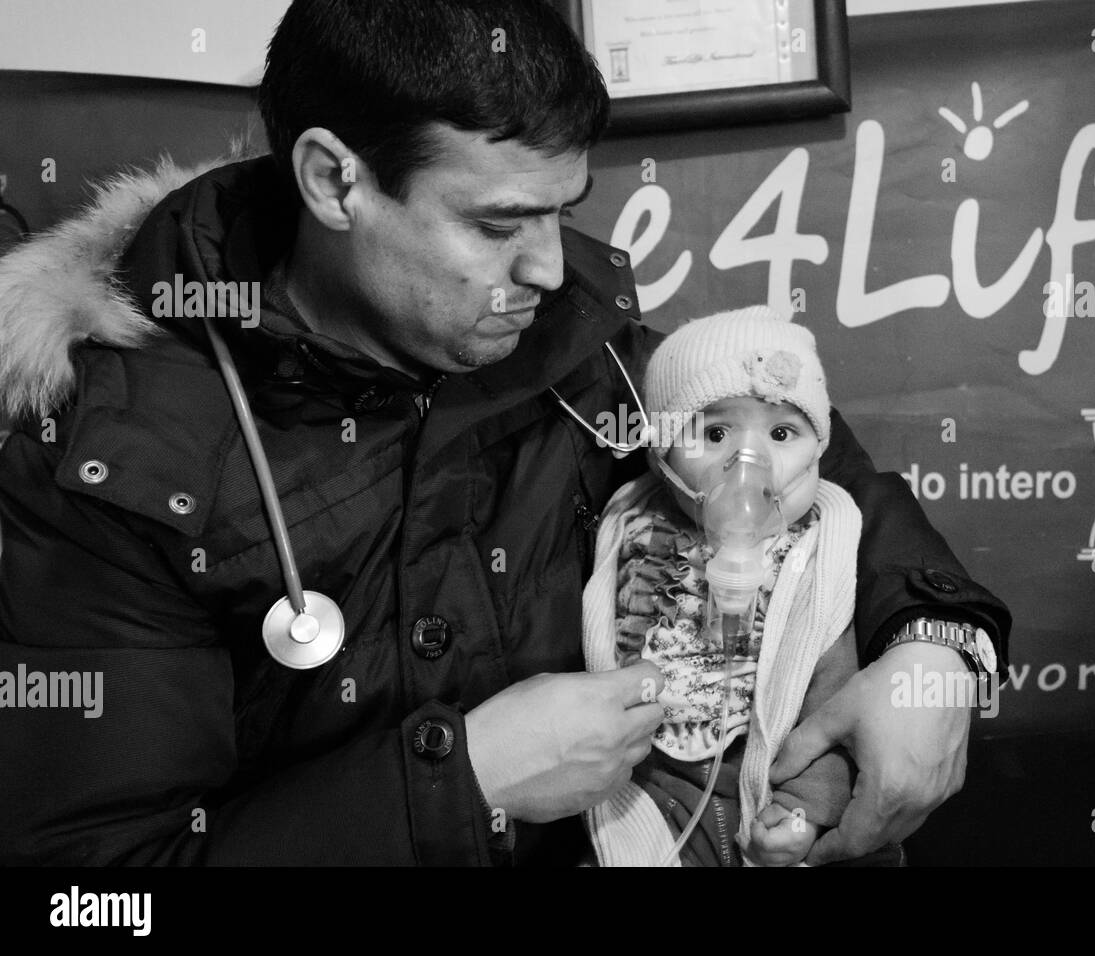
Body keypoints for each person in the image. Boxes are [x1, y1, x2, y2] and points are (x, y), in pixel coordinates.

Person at [0, 0, 1010, 866]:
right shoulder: (108, 457)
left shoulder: (583, 343)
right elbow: (96, 893)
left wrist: (938, 649)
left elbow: (804, 467)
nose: (547, 268)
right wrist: (464, 778)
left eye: (561, 211)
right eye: (496, 224)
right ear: (333, 181)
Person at [583, 306, 863, 867]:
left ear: (818, 454)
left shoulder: (819, 553)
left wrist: (806, 805)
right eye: (714, 433)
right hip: (654, 775)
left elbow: (832, 698)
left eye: (782, 433)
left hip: (773, 769)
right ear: (663, 458)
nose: (748, 464)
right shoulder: (632, 527)